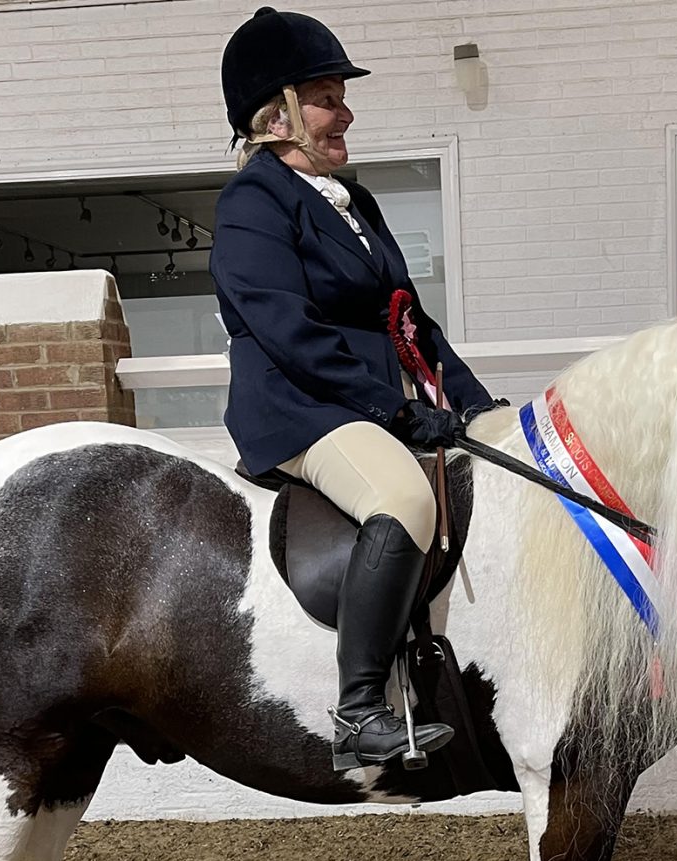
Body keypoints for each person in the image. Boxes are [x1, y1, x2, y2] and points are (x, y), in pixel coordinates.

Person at [212, 8, 497, 772]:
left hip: (372, 402)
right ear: (277, 115)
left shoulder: (355, 202)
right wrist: (396, 410)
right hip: (302, 409)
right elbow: (288, 331)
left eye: (342, 95)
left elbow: (409, 321)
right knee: (402, 500)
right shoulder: (251, 205)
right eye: (328, 97)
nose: (346, 112)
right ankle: (361, 711)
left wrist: (475, 404)